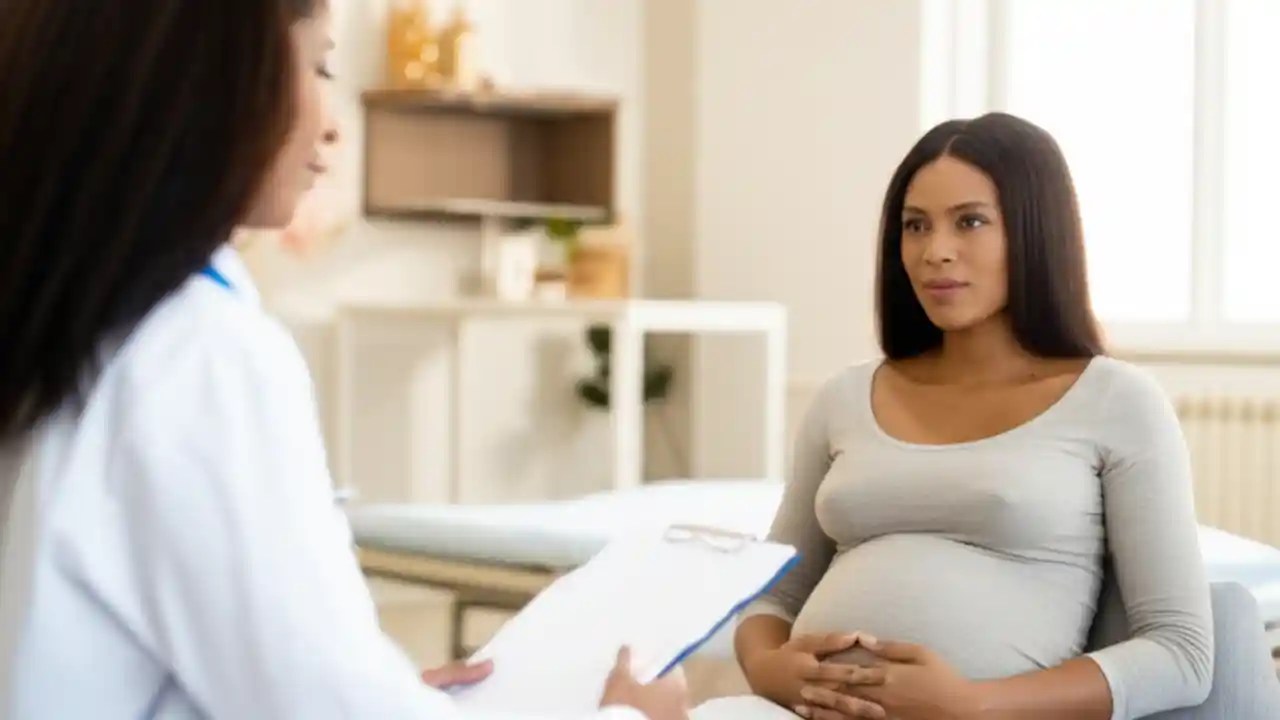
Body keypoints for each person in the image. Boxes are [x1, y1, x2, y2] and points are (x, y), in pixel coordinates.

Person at [0, 2, 687, 718]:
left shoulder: (74, 328)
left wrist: (376, 690)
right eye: (319, 65)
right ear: (208, 78)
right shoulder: (201, 358)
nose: (332, 125)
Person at [730, 114, 1214, 720]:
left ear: (1035, 232)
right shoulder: (843, 398)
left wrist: (974, 705)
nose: (935, 251)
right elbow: (772, 596)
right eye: (915, 225)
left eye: (970, 221)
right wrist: (767, 667)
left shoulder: (1117, 401)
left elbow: (1181, 652)